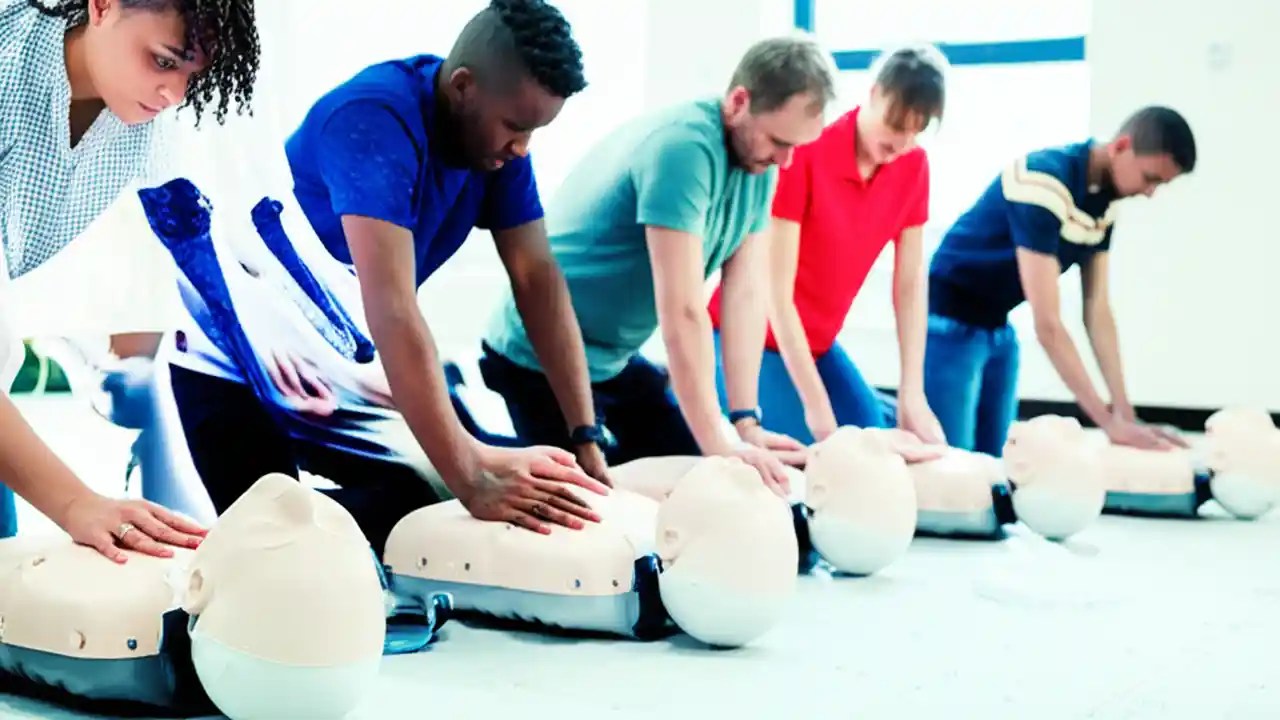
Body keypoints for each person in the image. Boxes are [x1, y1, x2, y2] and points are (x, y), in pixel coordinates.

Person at [149, 0, 609, 557]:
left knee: (439, 497)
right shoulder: (372, 118)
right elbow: (391, 305)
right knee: (275, 552)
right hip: (235, 364)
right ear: (462, 87)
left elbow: (538, 281)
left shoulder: (499, 152)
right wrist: (467, 476)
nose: (522, 148)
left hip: (344, 365)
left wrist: (583, 435)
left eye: (534, 131)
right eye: (515, 127)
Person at [479, 36, 836, 495]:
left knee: (707, 481)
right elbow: (683, 311)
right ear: (739, 101)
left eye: (796, 147)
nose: (786, 161)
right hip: (538, 358)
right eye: (779, 141)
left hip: (612, 363)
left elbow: (745, 298)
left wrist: (744, 424)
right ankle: (474, 440)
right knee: (587, 500)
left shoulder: (760, 166)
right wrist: (721, 449)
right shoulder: (684, 148)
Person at [0, 0, 259, 561]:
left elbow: (199, 257)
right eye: (164, 61)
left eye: (192, 77)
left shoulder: (143, 124)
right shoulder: (6, 61)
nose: (174, 94)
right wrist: (75, 503)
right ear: (101, 6)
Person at [708, 45, 948, 446]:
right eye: (894, 124)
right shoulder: (804, 152)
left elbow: (908, 287)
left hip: (816, 344)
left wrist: (913, 390)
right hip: (749, 336)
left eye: (915, 130)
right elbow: (776, 297)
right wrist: (817, 407)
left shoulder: (913, 165)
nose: (901, 143)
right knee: (813, 449)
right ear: (873, 95)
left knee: (876, 441)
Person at [923, 106, 1196, 456]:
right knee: (952, 461)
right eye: (1150, 178)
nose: (1150, 193)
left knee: (995, 463)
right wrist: (1107, 423)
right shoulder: (1044, 180)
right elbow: (1048, 325)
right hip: (947, 321)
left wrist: (1124, 412)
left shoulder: (1105, 205)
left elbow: (1096, 309)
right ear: (1121, 146)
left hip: (996, 326)